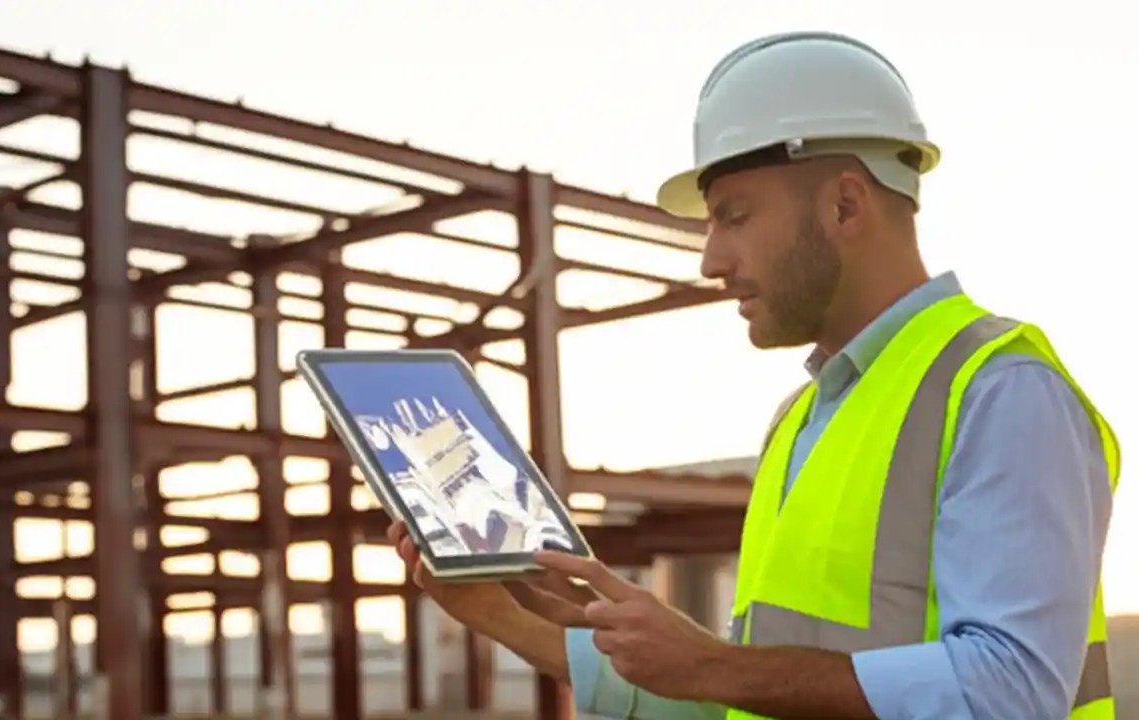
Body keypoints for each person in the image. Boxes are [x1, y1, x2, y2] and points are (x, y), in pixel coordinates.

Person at [388, 31, 1121, 719]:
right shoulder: (801, 421)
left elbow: (1013, 690)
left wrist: (710, 664)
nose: (710, 259)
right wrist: (508, 618)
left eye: (733, 216)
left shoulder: (1002, 391)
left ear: (843, 203)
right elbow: (752, 699)